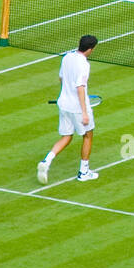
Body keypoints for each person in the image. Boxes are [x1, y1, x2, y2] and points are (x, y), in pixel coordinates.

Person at [37, 34, 100, 184]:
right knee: (88, 136)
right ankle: (84, 172)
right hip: (77, 107)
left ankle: (46, 161)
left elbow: (61, 79)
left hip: (63, 104)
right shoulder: (84, 64)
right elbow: (80, 87)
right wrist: (84, 112)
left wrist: (65, 94)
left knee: (66, 136)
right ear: (90, 49)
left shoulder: (67, 57)